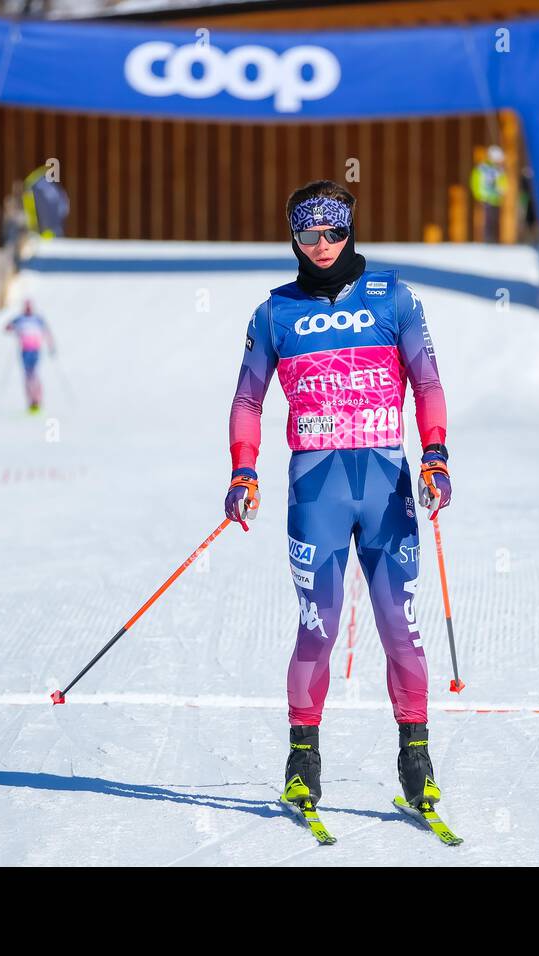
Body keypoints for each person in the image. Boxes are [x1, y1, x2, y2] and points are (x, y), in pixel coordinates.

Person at [223, 180, 451, 813]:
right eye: (307, 233)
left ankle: (416, 758)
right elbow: (247, 399)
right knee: (317, 628)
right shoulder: (275, 312)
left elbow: (427, 380)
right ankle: (302, 759)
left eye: (334, 231)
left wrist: (434, 455)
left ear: (351, 228)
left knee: (398, 629)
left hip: (387, 489)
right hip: (315, 490)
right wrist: (244, 471)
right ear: (292, 235)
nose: (321, 245)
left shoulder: (394, 298)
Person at [5, 300, 56, 413]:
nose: (28, 309)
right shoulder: (20, 319)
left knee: (33, 374)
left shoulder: (38, 319)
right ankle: (31, 402)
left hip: (35, 350)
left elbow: (47, 332)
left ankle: (37, 400)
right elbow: (7, 327)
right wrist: (13, 328)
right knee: (28, 376)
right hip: (24, 350)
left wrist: (51, 346)